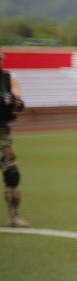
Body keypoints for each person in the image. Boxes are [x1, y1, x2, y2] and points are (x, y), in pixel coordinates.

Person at [1, 52, 30, 228]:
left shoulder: (8, 78)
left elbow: (18, 102)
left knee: (12, 173)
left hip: (2, 132)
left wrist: (13, 101)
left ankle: (13, 217)